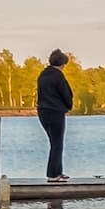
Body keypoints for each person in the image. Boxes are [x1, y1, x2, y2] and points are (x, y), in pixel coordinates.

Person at [36, 49, 73, 182]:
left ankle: (57, 171)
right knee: (57, 143)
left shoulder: (42, 75)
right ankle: (53, 175)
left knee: (54, 142)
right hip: (55, 111)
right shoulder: (58, 75)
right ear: (62, 63)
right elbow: (66, 93)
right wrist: (68, 106)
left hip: (42, 112)